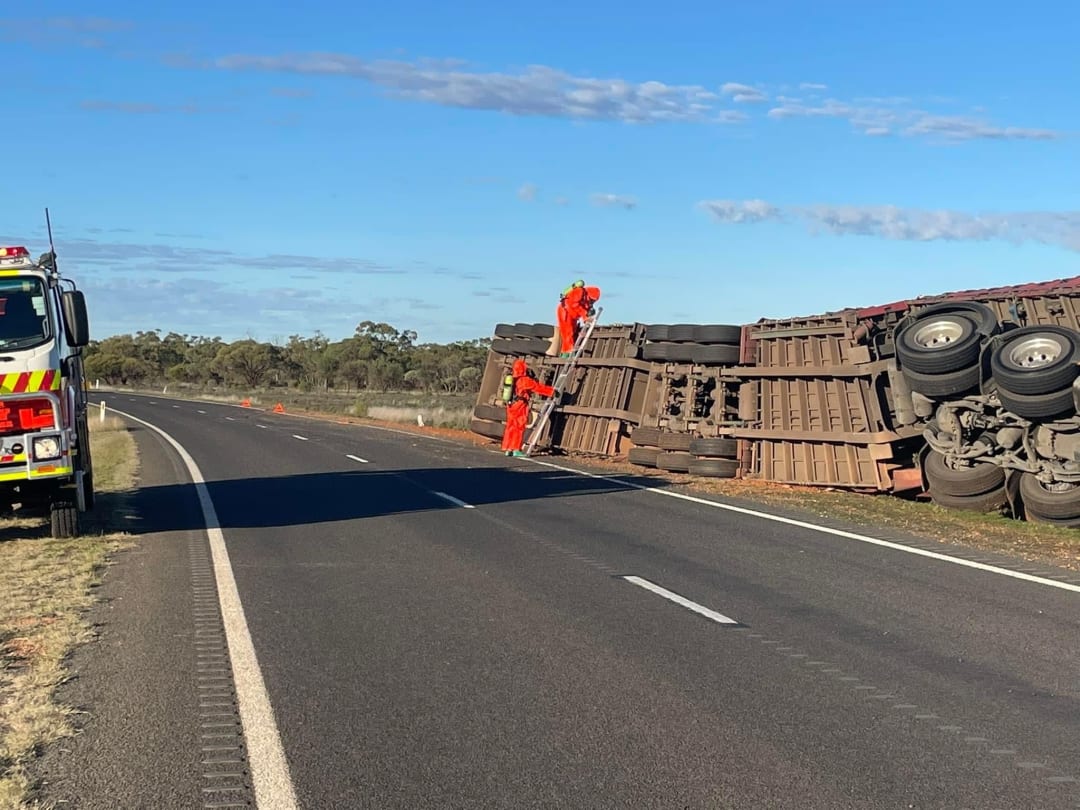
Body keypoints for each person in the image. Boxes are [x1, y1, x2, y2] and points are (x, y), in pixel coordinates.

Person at [501, 358, 555, 457]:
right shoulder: (524, 380)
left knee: (510, 426)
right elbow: (538, 388)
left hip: (510, 405)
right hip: (520, 405)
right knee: (519, 426)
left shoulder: (512, 378)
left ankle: (508, 448)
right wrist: (552, 391)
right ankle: (516, 449)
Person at [555, 280, 601, 357]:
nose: (592, 302)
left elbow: (583, 308)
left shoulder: (587, 300)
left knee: (572, 333)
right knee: (567, 332)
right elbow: (574, 305)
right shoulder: (579, 292)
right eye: (592, 299)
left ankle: (567, 352)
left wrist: (589, 313)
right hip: (565, 312)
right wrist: (585, 316)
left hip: (573, 316)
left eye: (594, 300)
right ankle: (567, 353)